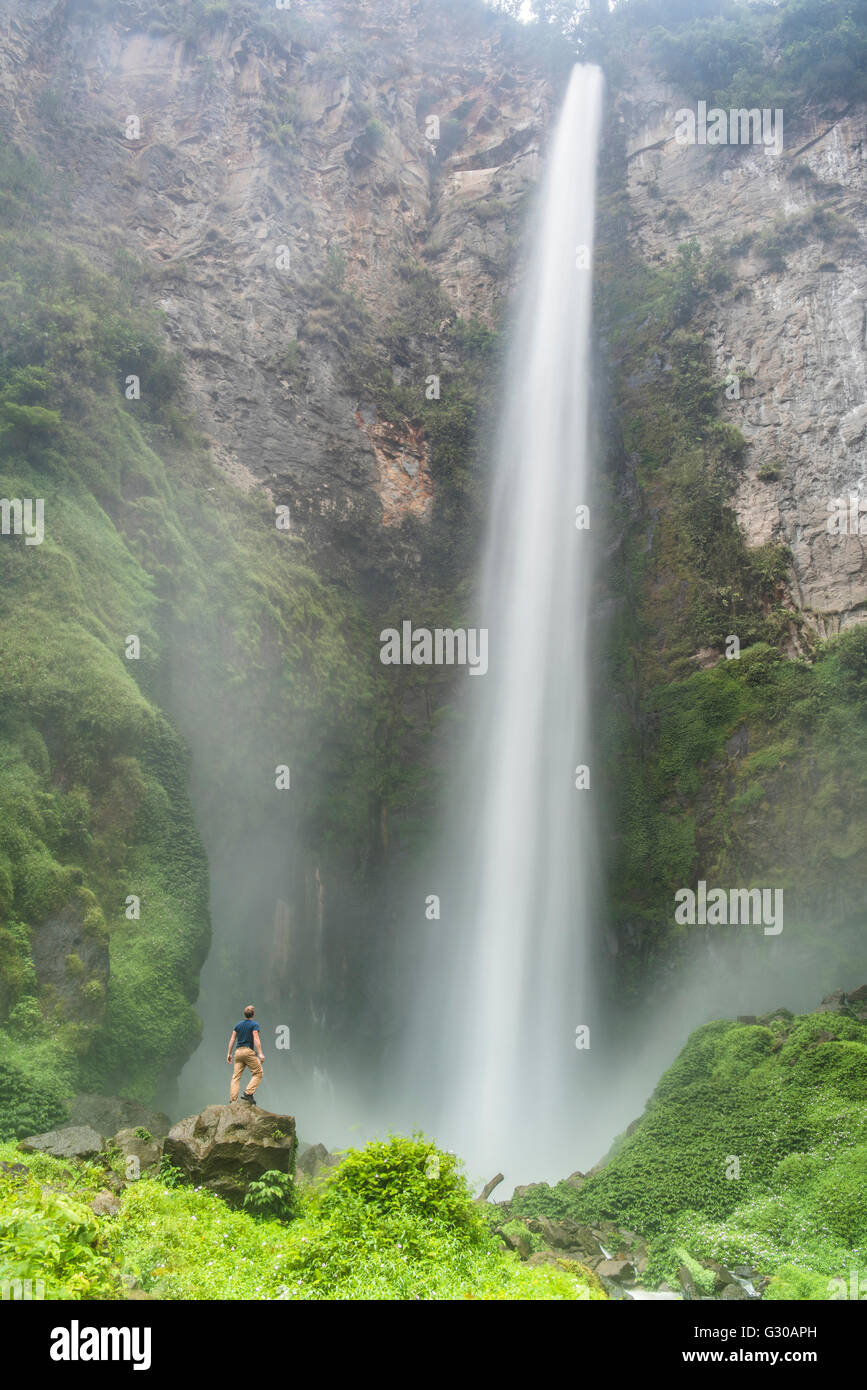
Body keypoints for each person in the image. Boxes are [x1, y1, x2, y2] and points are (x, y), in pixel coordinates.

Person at [227, 1004, 265, 1104]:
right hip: (248, 1051)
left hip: (238, 1052)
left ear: (245, 1014)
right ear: (253, 1014)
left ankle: (233, 1100)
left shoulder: (238, 1025)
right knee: (258, 1072)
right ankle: (248, 1093)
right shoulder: (254, 1025)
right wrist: (260, 1053)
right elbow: (256, 1038)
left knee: (236, 1076)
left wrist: (229, 1053)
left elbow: (232, 1039)